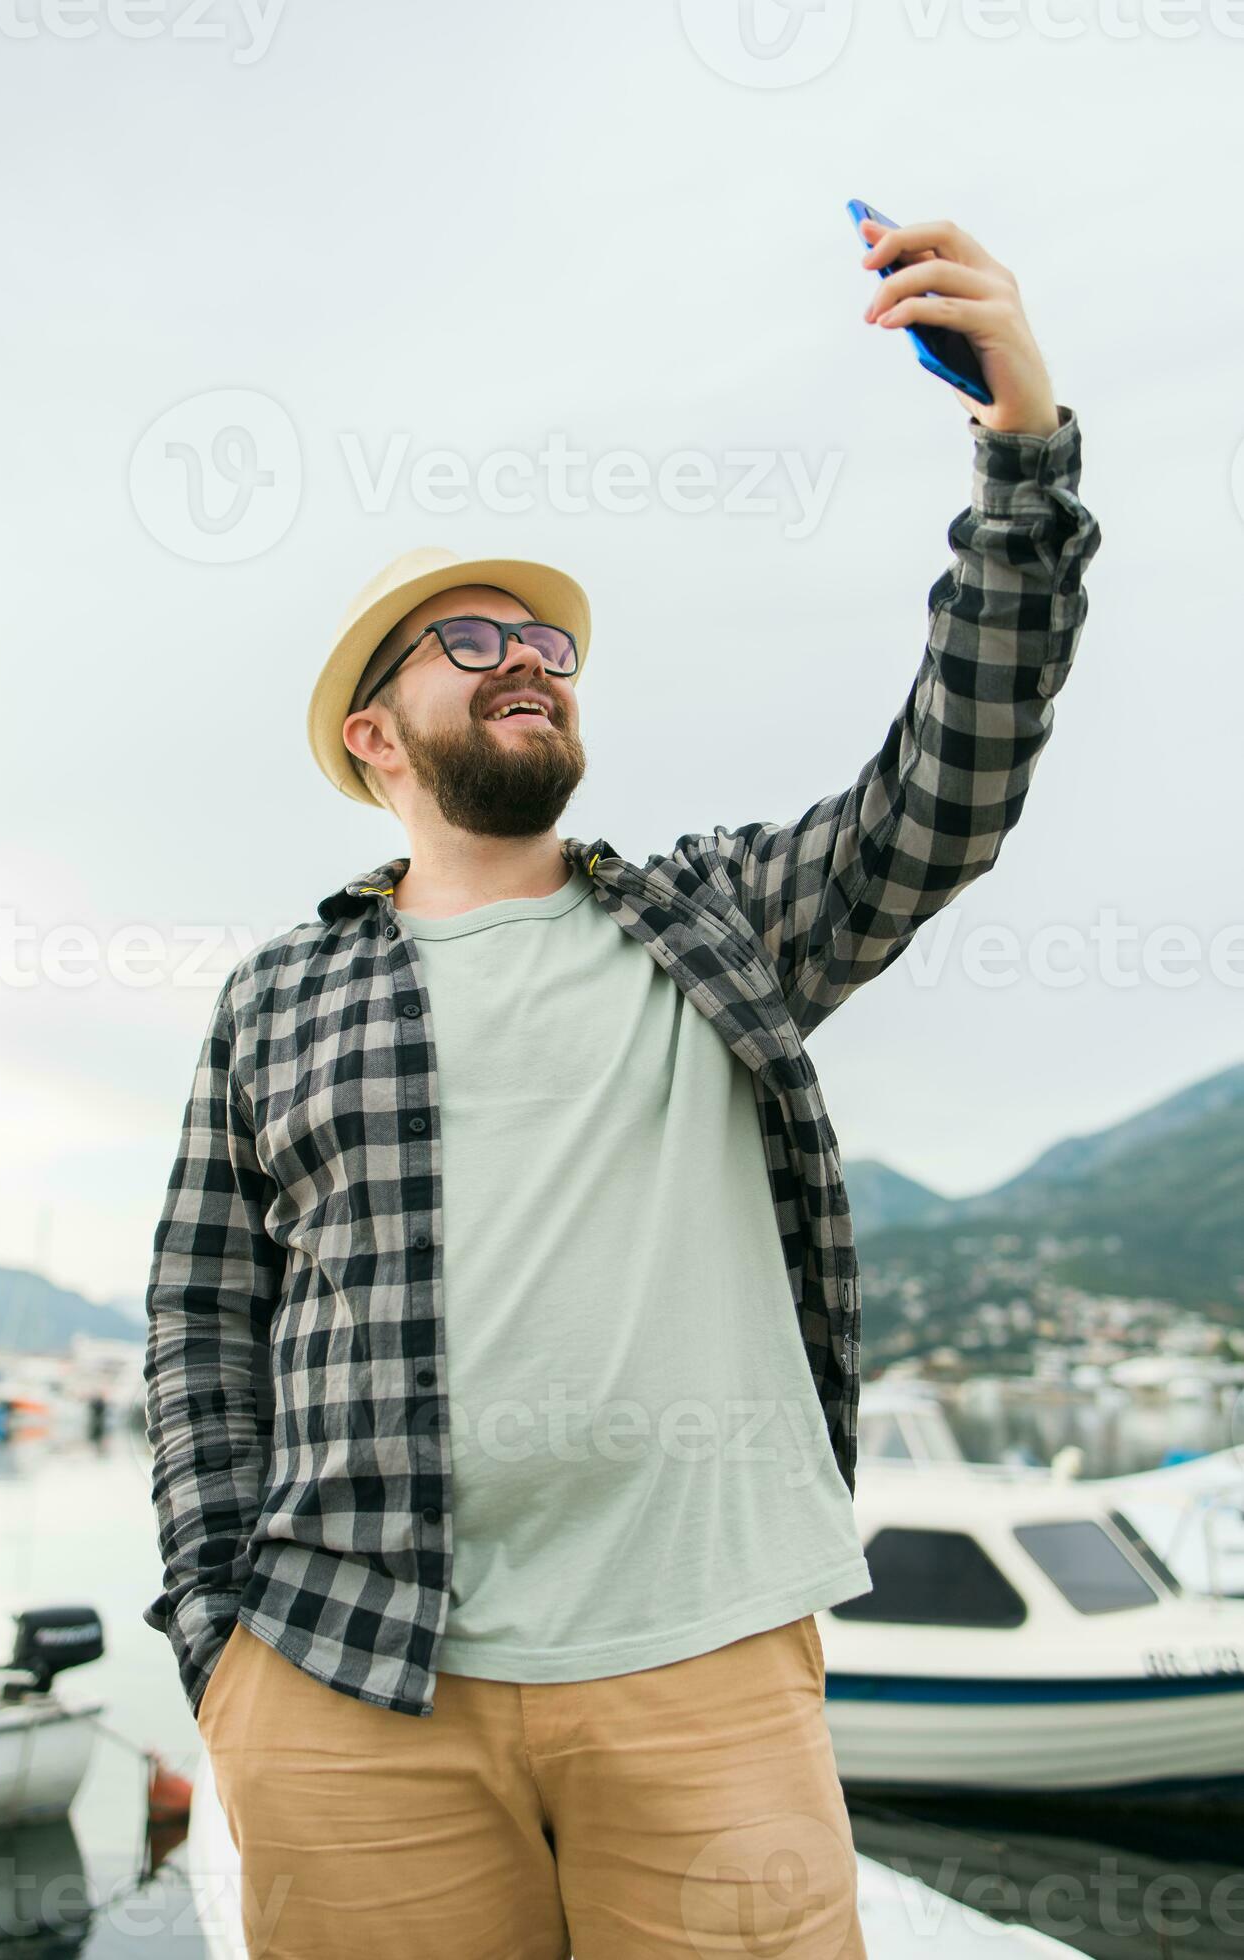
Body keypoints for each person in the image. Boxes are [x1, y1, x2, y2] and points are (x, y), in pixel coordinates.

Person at [143, 215, 1101, 1958]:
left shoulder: (714, 921)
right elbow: (203, 1316)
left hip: (708, 1670)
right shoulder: (278, 993)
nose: (526, 655)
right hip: (350, 1679)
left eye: (550, 644)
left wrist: (1019, 451)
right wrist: (219, 1637)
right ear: (375, 736)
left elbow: (952, 778)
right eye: (469, 640)